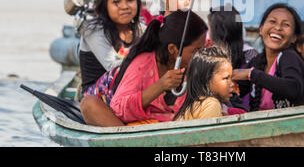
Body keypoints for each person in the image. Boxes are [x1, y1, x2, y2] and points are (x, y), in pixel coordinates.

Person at [80, 10, 208, 126]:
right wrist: (160, 86)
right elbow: (119, 109)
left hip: (147, 123)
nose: (201, 54)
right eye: (196, 50)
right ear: (173, 50)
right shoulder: (142, 64)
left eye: (203, 48)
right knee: (89, 104)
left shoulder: (191, 67)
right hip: (113, 114)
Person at [232, 3, 304, 110]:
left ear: (294, 37)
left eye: (286, 25)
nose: (278, 27)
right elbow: (237, 91)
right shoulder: (257, 62)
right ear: (261, 29)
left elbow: (293, 88)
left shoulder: (289, 57)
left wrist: (251, 74)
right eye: (272, 21)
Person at [79, 0, 144, 94]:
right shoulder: (93, 30)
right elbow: (113, 68)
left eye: (130, 0)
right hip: (97, 98)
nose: (124, 6)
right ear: (105, 5)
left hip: (130, 91)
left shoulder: (141, 29)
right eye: (116, 2)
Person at [207, 4, 258, 111]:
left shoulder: (250, 56)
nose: (208, 33)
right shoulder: (252, 54)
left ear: (217, 33)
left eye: (210, 28)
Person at [173, 46, 234, 120]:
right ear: (207, 79)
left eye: (231, 78)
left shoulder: (195, 104)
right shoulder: (211, 104)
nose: (232, 84)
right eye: (226, 78)